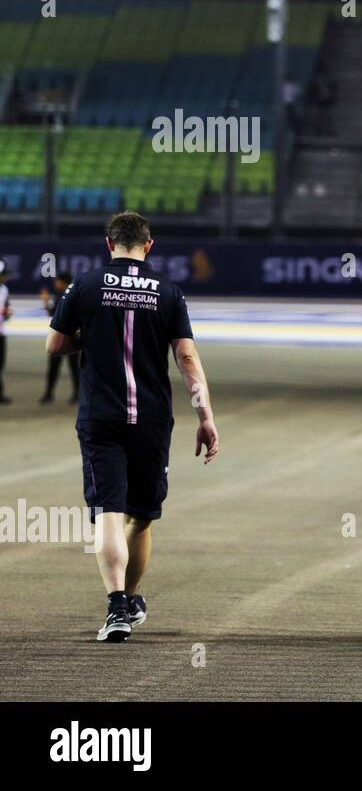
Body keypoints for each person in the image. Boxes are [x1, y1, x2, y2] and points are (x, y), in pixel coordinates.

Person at [46, 212, 219, 642]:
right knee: (141, 517)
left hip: (102, 416)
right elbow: (187, 359)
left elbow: (55, 344)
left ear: (109, 244)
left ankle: (117, 606)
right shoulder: (169, 293)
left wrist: (97, 334)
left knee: (109, 512)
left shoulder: (85, 285)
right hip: (152, 419)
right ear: (149, 245)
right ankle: (128, 600)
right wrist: (206, 415)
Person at [40, 270, 80, 404]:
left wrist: (46, 303)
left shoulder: (65, 295)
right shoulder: (71, 294)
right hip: (72, 336)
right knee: (74, 367)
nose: (55, 283)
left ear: (62, 282)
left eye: (57, 281)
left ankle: (49, 394)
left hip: (62, 335)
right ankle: (77, 394)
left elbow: (56, 315)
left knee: (55, 367)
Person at [0, 259, 11, 405]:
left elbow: (6, 308)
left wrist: (7, 313)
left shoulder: (4, 290)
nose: (4, 277)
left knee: (0, 365)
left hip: (1, 333)